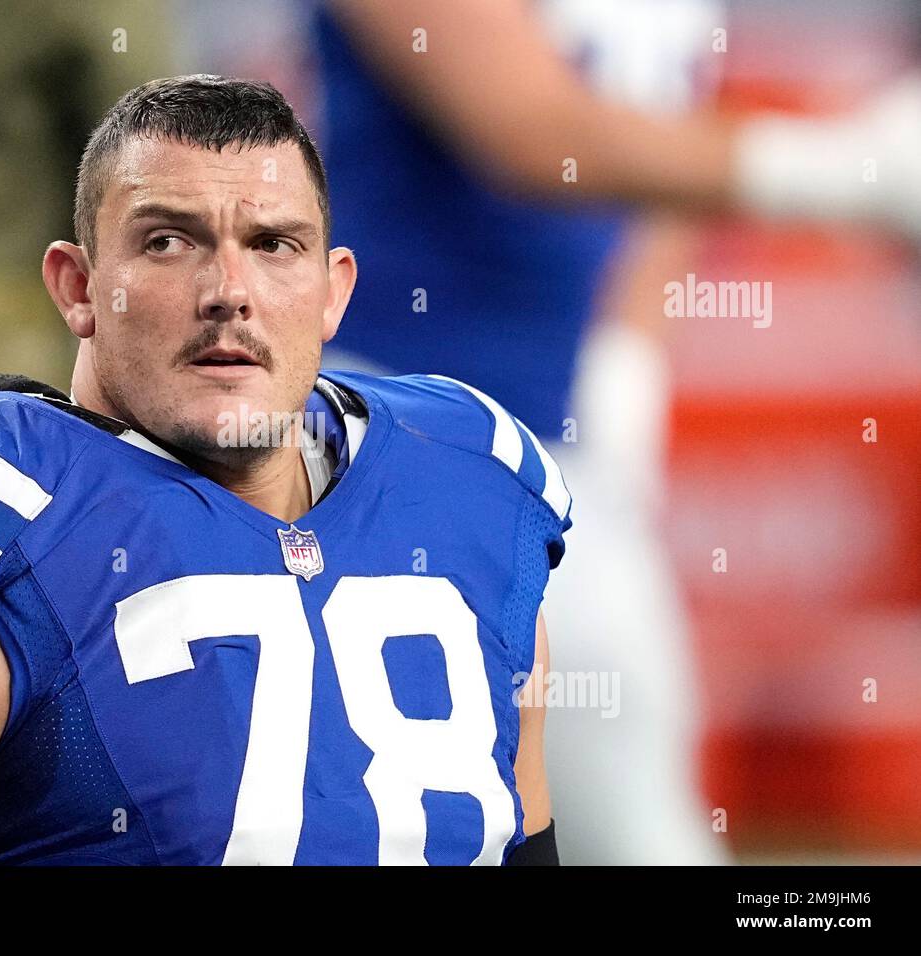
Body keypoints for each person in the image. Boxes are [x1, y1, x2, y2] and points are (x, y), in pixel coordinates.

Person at [0, 75, 570, 866]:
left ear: (334, 290)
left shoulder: (470, 489)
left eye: (273, 244)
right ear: (76, 287)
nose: (229, 290)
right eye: (169, 242)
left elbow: (524, 841)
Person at [314, 0, 921, 864]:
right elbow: (528, 130)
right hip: (393, 435)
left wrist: (623, 369)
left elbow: (663, 158)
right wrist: (839, 168)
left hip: (562, 454)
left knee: (636, 831)